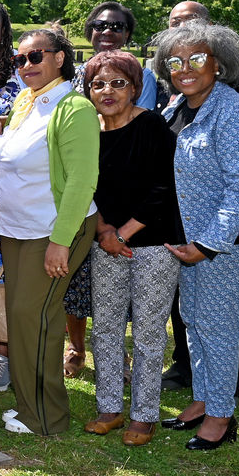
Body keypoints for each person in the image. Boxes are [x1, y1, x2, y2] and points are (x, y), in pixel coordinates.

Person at [154, 21, 239, 450]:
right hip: (187, 244)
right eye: (176, 61)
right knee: (193, 321)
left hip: (223, 247)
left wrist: (206, 245)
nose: (186, 68)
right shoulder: (176, 107)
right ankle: (203, 399)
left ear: (218, 63)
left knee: (217, 327)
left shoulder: (233, 112)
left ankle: (221, 415)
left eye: (197, 59)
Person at [0, 27, 99, 435]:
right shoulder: (24, 101)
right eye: (19, 59)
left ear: (59, 58)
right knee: (28, 318)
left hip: (53, 230)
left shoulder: (74, 108)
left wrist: (60, 241)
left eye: (36, 57)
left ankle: (45, 417)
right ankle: (30, 404)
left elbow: (81, 180)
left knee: (30, 316)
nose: (26, 65)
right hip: (17, 230)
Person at [79, 50, 181, 446]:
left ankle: (144, 414)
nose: (107, 91)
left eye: (118, 83)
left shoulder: (152, 126)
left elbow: (163, 189)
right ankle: (109, 408)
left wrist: (122, 235)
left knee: (149, 329)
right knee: (104, 325)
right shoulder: (89, 131)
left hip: (152, 242)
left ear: (136, 88)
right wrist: (104, 229)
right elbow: (86, 185)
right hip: (105, 241)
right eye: (98, 83)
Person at [61, 2, 159, 377]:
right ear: (89, 32)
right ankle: (76, 346)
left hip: (126, 196)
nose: (107, 31)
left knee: (121, 286)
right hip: (83, 189)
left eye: (116, 26)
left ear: (128, 34)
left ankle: (120, 354)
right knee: (75, 279)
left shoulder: (140, 76)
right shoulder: (76, 76)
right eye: (99, 25)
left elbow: (129, 129)